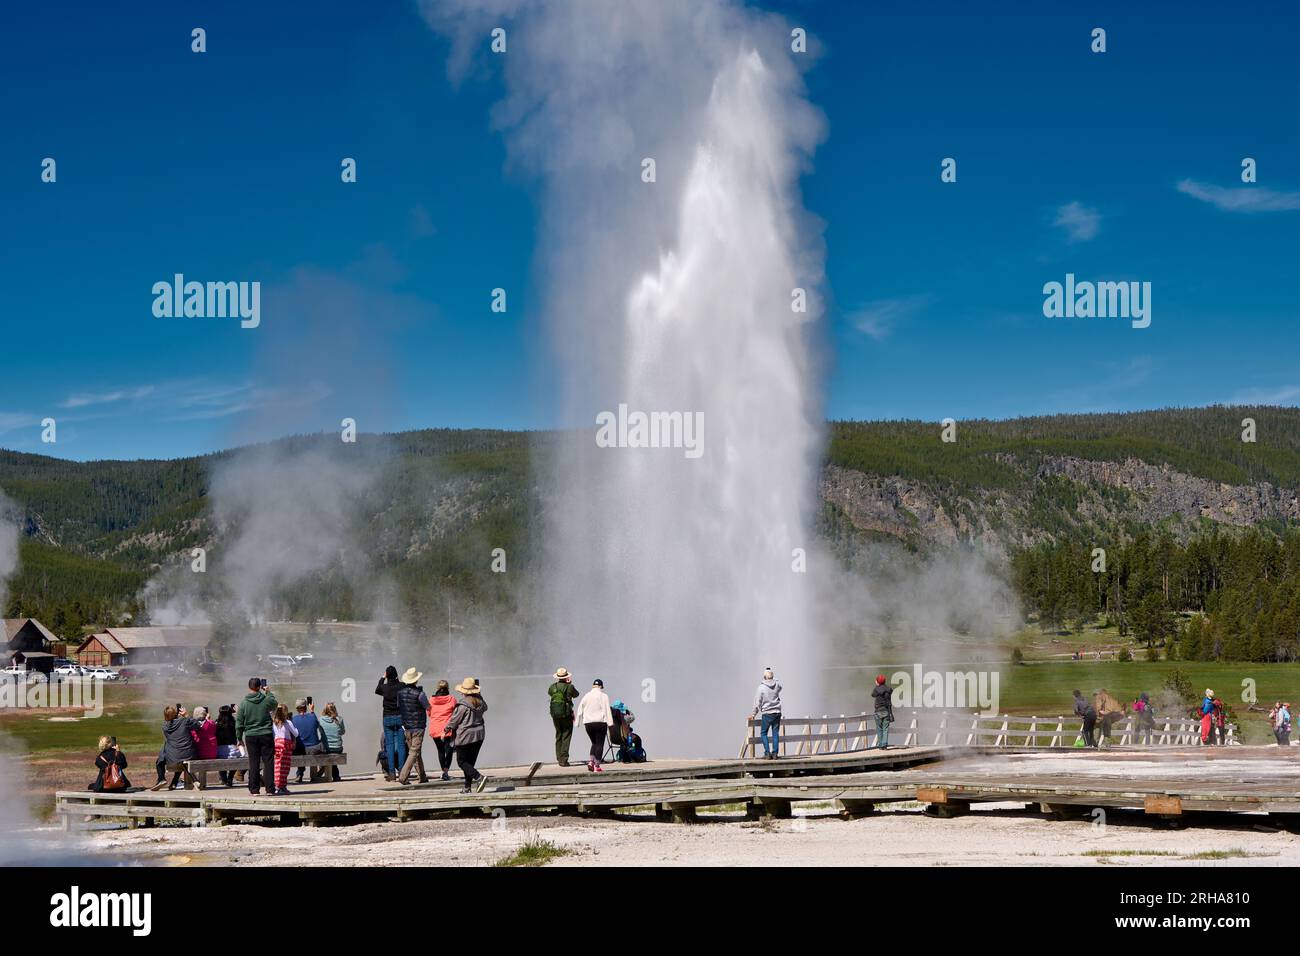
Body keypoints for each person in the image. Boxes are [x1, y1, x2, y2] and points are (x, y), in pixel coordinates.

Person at [235, 677, 279, 796]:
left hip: (251, 736)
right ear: (260, 687)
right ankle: (270, 789)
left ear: (249, 687)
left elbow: (239, 723)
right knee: (268, 762)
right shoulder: (266, 699)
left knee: (253, 762)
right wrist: (268, 692)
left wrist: (239, 738)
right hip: (266, 734)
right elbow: (275, 704)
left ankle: (254, 789)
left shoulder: (243, 703)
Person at [444, 678, 488, 793]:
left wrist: (446, 729)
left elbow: (454, 721)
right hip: (479, 735)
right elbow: (486, 708)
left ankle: (479, 777)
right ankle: (467, 787)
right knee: (470, 763)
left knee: (462, 762)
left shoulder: (462, 705)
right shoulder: (480, 702)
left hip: (465, 737)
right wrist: (479, 695)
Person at [154, 705, 203, 790]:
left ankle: (162, 779)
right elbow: (198, 725)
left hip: (174, 756)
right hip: (190, 754)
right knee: (181, 758)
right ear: (176, 714)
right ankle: (192, 780)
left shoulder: (165, 727)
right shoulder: (184, 721)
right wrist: (186, 715)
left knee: (164, 754)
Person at [397, 668, 431, 785]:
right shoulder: (420, 694)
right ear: (416, 681)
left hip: (406, 726)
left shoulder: (400, 693)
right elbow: (428, 707)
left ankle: (422, 776)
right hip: (418, 726)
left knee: (416, 752)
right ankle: (403, 776)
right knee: (413, 752)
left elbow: (399, 706)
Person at [574, 677, 614, 772]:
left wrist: (577, 723)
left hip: (588, 724)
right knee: (600, 744)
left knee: (594, 743)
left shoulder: (586, 696)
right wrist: (610, 723)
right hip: (600, 723)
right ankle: (597, 766)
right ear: (601, 687)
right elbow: (607, 710)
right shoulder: (604, 696)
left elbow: (580, 709)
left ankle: (591, 762)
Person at [375, 665, 405, 782]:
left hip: (387, 718)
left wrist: (383, 677)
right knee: (401, 746)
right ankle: (402, 772)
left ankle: (392, 773)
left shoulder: (384, 688)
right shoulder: (401, 686)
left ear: (387, 675)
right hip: (400, 717)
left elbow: (377, 689)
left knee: (390, 746)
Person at [547, 666, 579, 767]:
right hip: (566, 714)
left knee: (558, 734)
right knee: (566, 735)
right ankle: (564, 760)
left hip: (555, 715)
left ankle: (558, 757)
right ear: (566, 677)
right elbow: (576, 694)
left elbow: (549, 693)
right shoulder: (570, 687)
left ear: (557, 677)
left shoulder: (552, 687)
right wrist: (569, 684)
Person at [426, 680, 457, 781]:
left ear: (437, 688)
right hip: (447, 729)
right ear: (448, 688)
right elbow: (455, 713)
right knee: (449, 750)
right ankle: (445, 772)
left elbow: (429, 713)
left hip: (435, 728)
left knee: (440, 750)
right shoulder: (452, 699)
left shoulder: (431, 700)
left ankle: (443, 771)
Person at [292, 699, 326, 784]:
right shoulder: (312, 716)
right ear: (306, 707)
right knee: (322, 745)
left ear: (296, 708)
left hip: (301, 749)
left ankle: (299, 773)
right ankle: (322, 765)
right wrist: (312, 711)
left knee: (300, 747)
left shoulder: (293, 719)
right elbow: (317, 726)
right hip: (314, 748)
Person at [751, 668, 782, 759]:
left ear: (764, 677)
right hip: (777, 712)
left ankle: (767, 753)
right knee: (775, 733)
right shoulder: (777, 685)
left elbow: (757, 703)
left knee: (764, 733)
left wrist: (753, 714)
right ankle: (775, 753)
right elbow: (780, 687)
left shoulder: (761, 688)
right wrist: (774, 680)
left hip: (767, 713)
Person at [271, 703, 299, 795]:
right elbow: (295, 734)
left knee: (277, 766)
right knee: (285, 768)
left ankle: (277, 786)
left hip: (276, 745)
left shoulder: (273, 722)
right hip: (285, 746)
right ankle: (282, 786)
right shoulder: (288, 722)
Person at [215, 704, 243, 786]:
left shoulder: (217, 723)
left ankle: (223, 778)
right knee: (237, 756)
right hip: (232, 749)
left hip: (219, 750)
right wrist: (238, 713)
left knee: (221, 759)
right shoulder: (234, 723)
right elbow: (241, 725)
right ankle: (230, 778)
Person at [319, 702, 347, 782]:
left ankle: (322, 771)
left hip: (326, 749)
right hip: (338, 748)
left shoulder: (321, 719)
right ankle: (336, 775)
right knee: (332, 755)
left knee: (322, 749)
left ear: (325, 710)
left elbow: (321, 732)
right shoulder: (340, 719)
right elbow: (342, 732)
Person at [872, 674, 895, 749]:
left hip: (878, 711)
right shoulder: (888, 689)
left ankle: (880, 744)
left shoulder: (876, 689)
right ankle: (884, 744)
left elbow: (873, 695)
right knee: (885, 728)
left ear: (878, 682)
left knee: (879, 728)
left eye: (876, 680)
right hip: (886, 711)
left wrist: (877, 686)